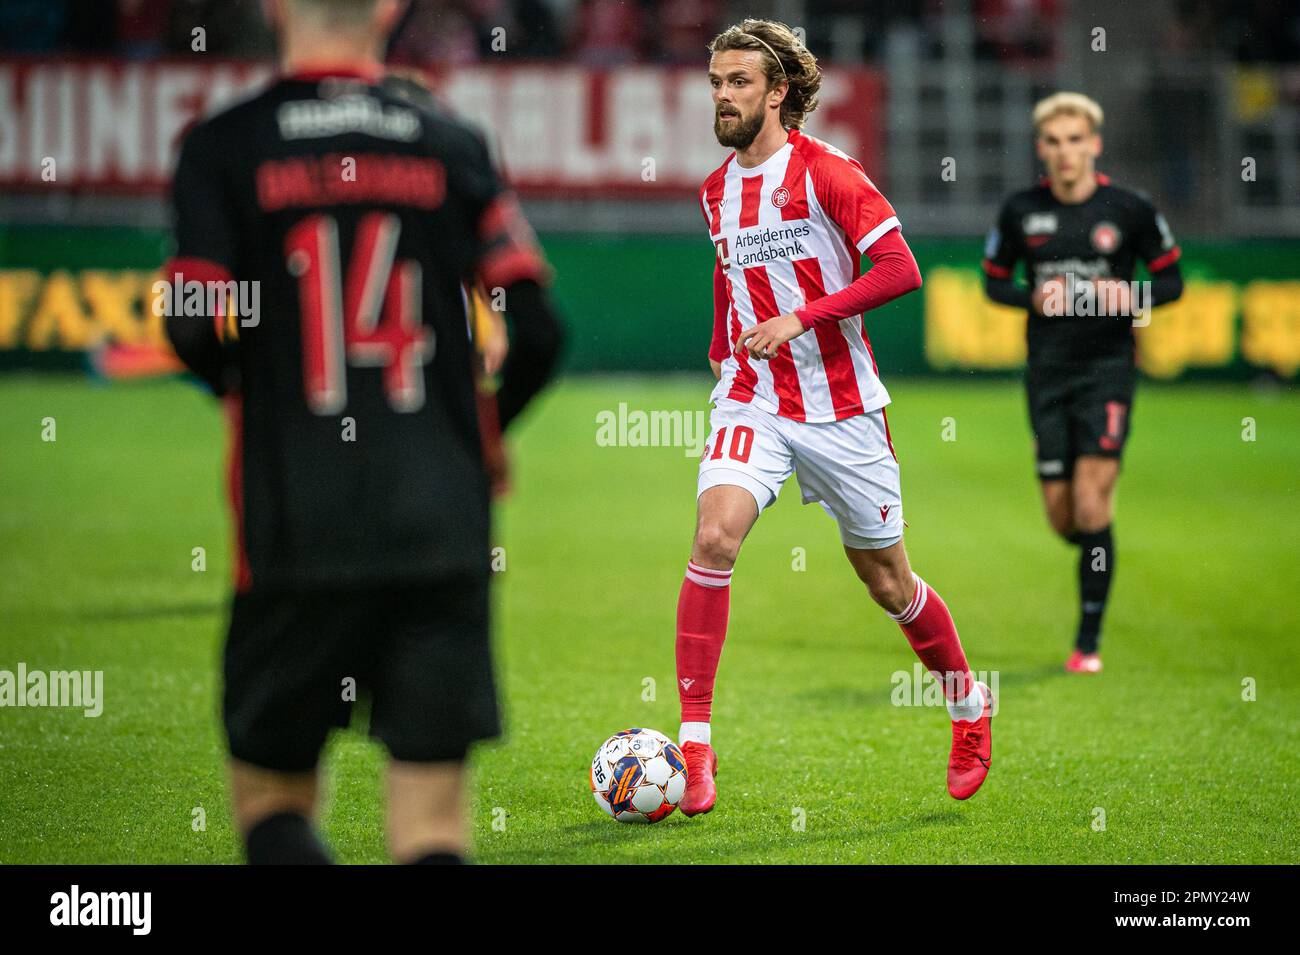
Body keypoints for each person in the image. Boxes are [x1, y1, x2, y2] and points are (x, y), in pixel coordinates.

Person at [164, 0, 562, 863]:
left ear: (271, 5)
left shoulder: (225, 143)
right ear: (390, 8)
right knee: (431, 832)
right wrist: (483, 431)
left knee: (273, 803)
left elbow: (190, 321)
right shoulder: (448, 140)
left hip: (295, 523)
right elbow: (537, 332)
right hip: (440, 523)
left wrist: (254, 390)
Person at [675, 19, 994, 818]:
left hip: (843, 407)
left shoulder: (830, 173)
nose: (723, 96)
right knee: (714, 535)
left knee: (888, 581)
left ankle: (965, 703)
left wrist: (804, 316)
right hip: (753, 396)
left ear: (778, 92)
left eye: (739, 82)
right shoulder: (714, 191)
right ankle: (696, 743)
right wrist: (723, 353)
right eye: (716, 82)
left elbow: (901, 268)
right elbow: (730, 281)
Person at [983, 92, 1183, 673]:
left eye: (1075, 140)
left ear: (1094, 144)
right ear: (1041, 149)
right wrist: (1030, 297)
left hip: (1108, 371)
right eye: (1053, 141)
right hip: (1046, 375)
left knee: (1092, 502)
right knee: (1063, 516)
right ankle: (1097, 543)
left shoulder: (1130, 209)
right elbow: (993, 283)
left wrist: (1135, 297)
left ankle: (1087, 645)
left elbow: (1173, 284)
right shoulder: (1021, 210)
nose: (1065, 152)